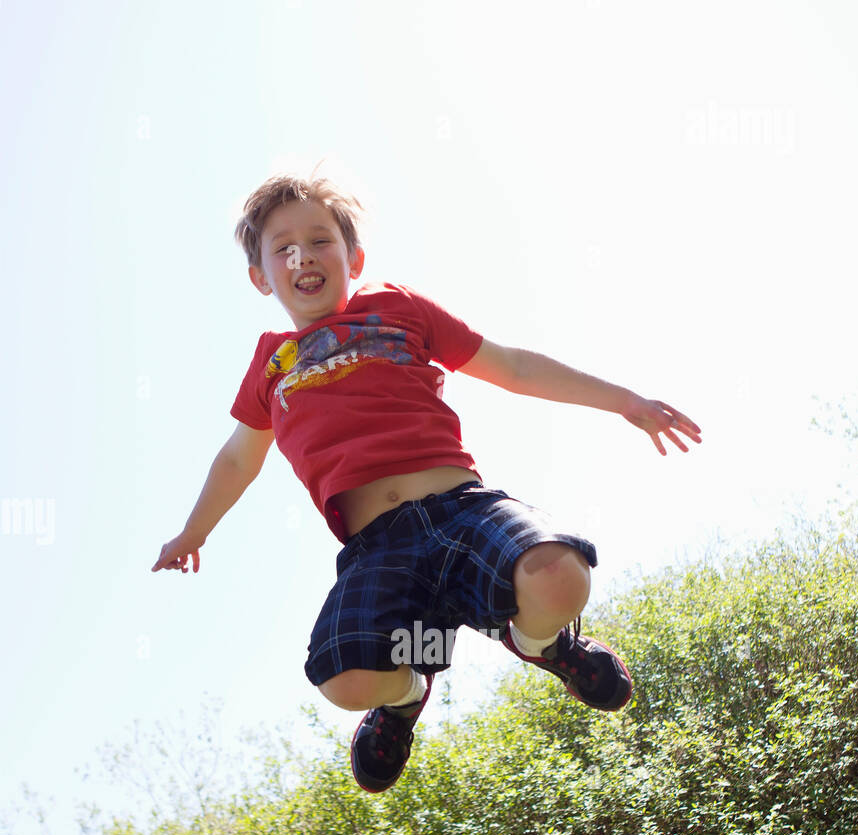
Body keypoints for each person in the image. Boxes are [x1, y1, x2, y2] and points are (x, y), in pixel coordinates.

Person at [152, 173, 701, 792]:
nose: (302, 256)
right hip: (378, 550)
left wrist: (625, 401)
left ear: (352, 257)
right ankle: (404, 697)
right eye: (282, 249)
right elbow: (236, 458)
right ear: (261, 277)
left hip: (460, 511)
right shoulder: (270, 363)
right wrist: (192, 532)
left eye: (319, 240)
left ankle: (544, 645)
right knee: (345, 678)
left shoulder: (399, 310)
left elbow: (513, 366)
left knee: (559, 573)